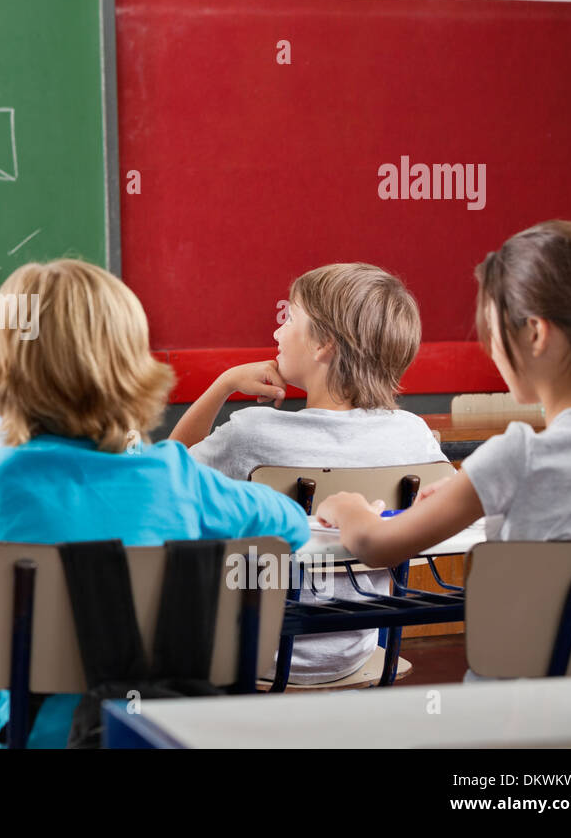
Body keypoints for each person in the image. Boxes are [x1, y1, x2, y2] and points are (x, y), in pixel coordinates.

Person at [0, 259, 310, 748]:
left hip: (31, 735)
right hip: (162, 734)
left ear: (0, 367)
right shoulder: (178, 477)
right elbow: (291, 526)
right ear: (130, 368)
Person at [170, 263, 445, 683]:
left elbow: (172, 472)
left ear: (323, 344)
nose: (278, 332)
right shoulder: (413, 434)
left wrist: (223, 384)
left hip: (252, 656)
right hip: (357, 652)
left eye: (289, 318)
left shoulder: (253, 432)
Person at [320, 221, 571, 583]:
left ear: (535, 333)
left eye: (492, 331)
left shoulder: (518, 457)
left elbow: (375, 545)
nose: (491, 350)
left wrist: (348, 508)